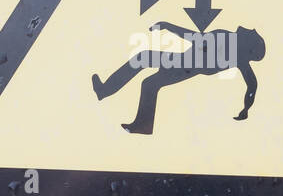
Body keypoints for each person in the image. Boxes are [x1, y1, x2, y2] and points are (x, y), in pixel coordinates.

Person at [92, 20, 266, 134]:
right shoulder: (235, 50)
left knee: (147, 76)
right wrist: (246, 109)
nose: (249, 29)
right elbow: (252, 85)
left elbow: (195, 38)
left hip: (184, 66)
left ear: (250, 47)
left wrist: (168, 26)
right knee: (148, 77)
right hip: (183, 62)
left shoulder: (231, 43)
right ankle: (137, 120)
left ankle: (136, 119)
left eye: (252, 33)